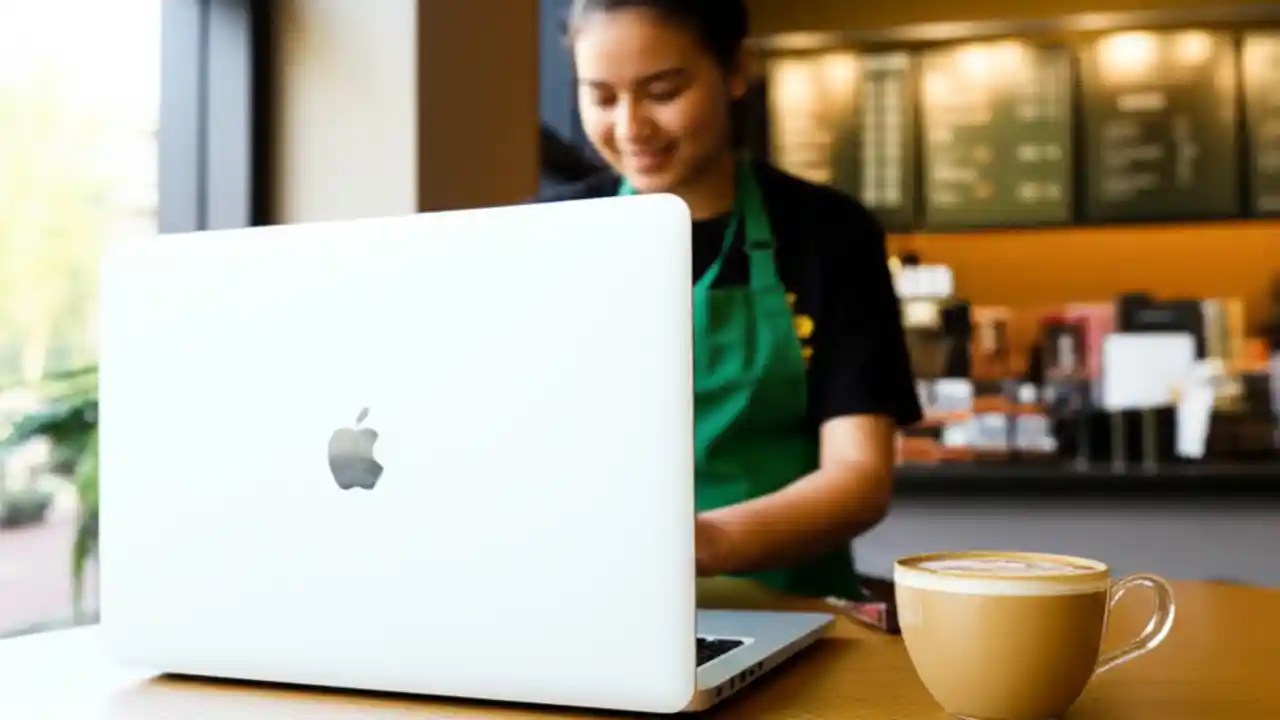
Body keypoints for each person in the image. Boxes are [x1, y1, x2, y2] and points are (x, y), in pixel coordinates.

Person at [539, 0, 922, 599]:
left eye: (663, 91)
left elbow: (859, 475)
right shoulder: (552, 236)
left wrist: (706, 542)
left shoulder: (829, 234)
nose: (632, 127)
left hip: (792, 610)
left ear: (735, 70)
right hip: (595, 601)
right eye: (603, 97)